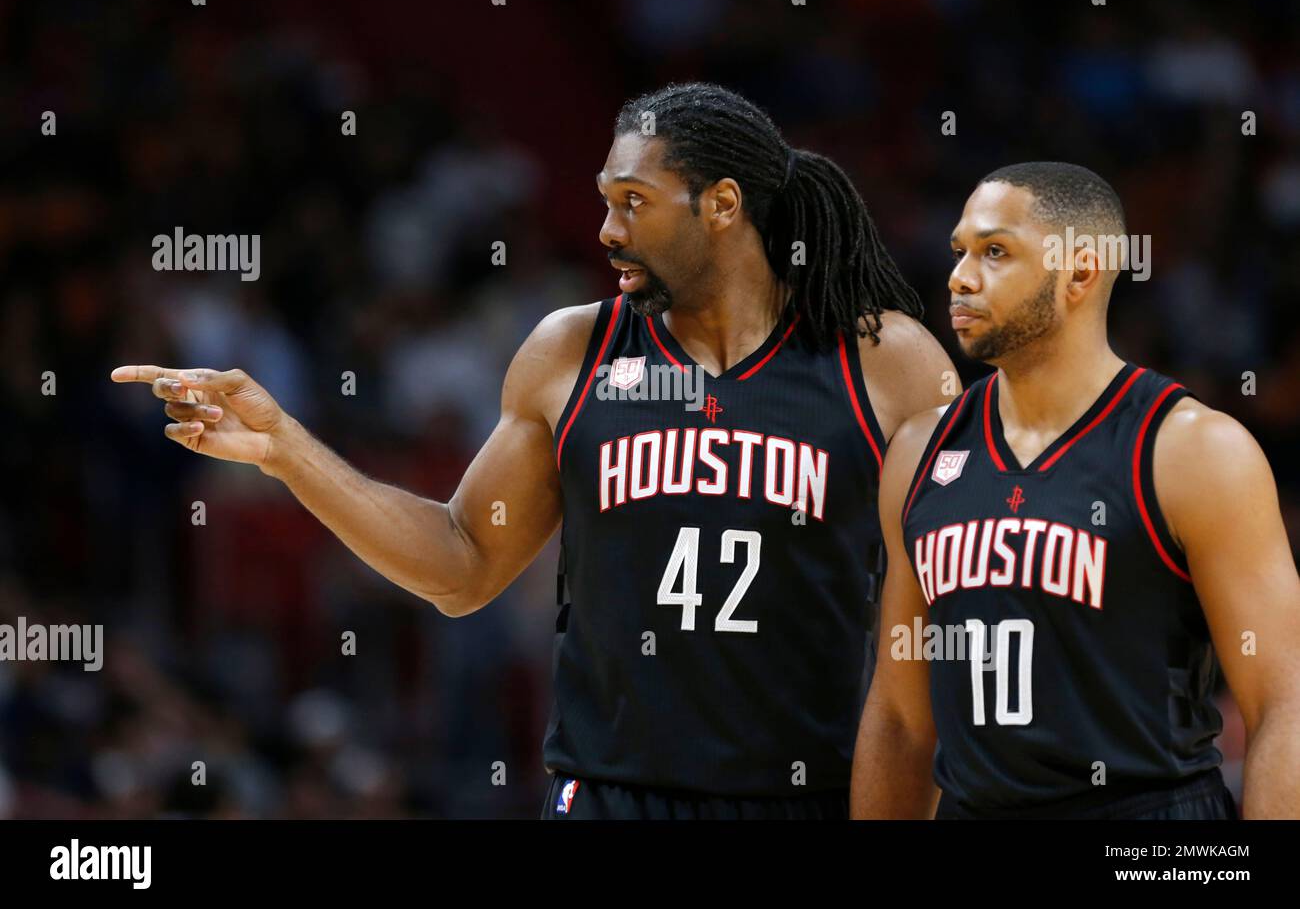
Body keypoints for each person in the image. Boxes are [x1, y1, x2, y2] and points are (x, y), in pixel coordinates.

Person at [114, 83, 956, 819]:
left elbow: (947, 632)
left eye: (634, 201)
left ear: (723, 205)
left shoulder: (885, 365)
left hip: (805, 797)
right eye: (604, 199)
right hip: (607, 795)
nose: (606, 229)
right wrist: (289, 452)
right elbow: (462, 563)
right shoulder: (571, 353)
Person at [850, 161, 1300, 819]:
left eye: (995, 252)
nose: (959, 278)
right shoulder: (920, 452)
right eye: (959, 252)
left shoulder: (1195, 452)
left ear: (1080, 273)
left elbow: (1282, 703)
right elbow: (899, 716)